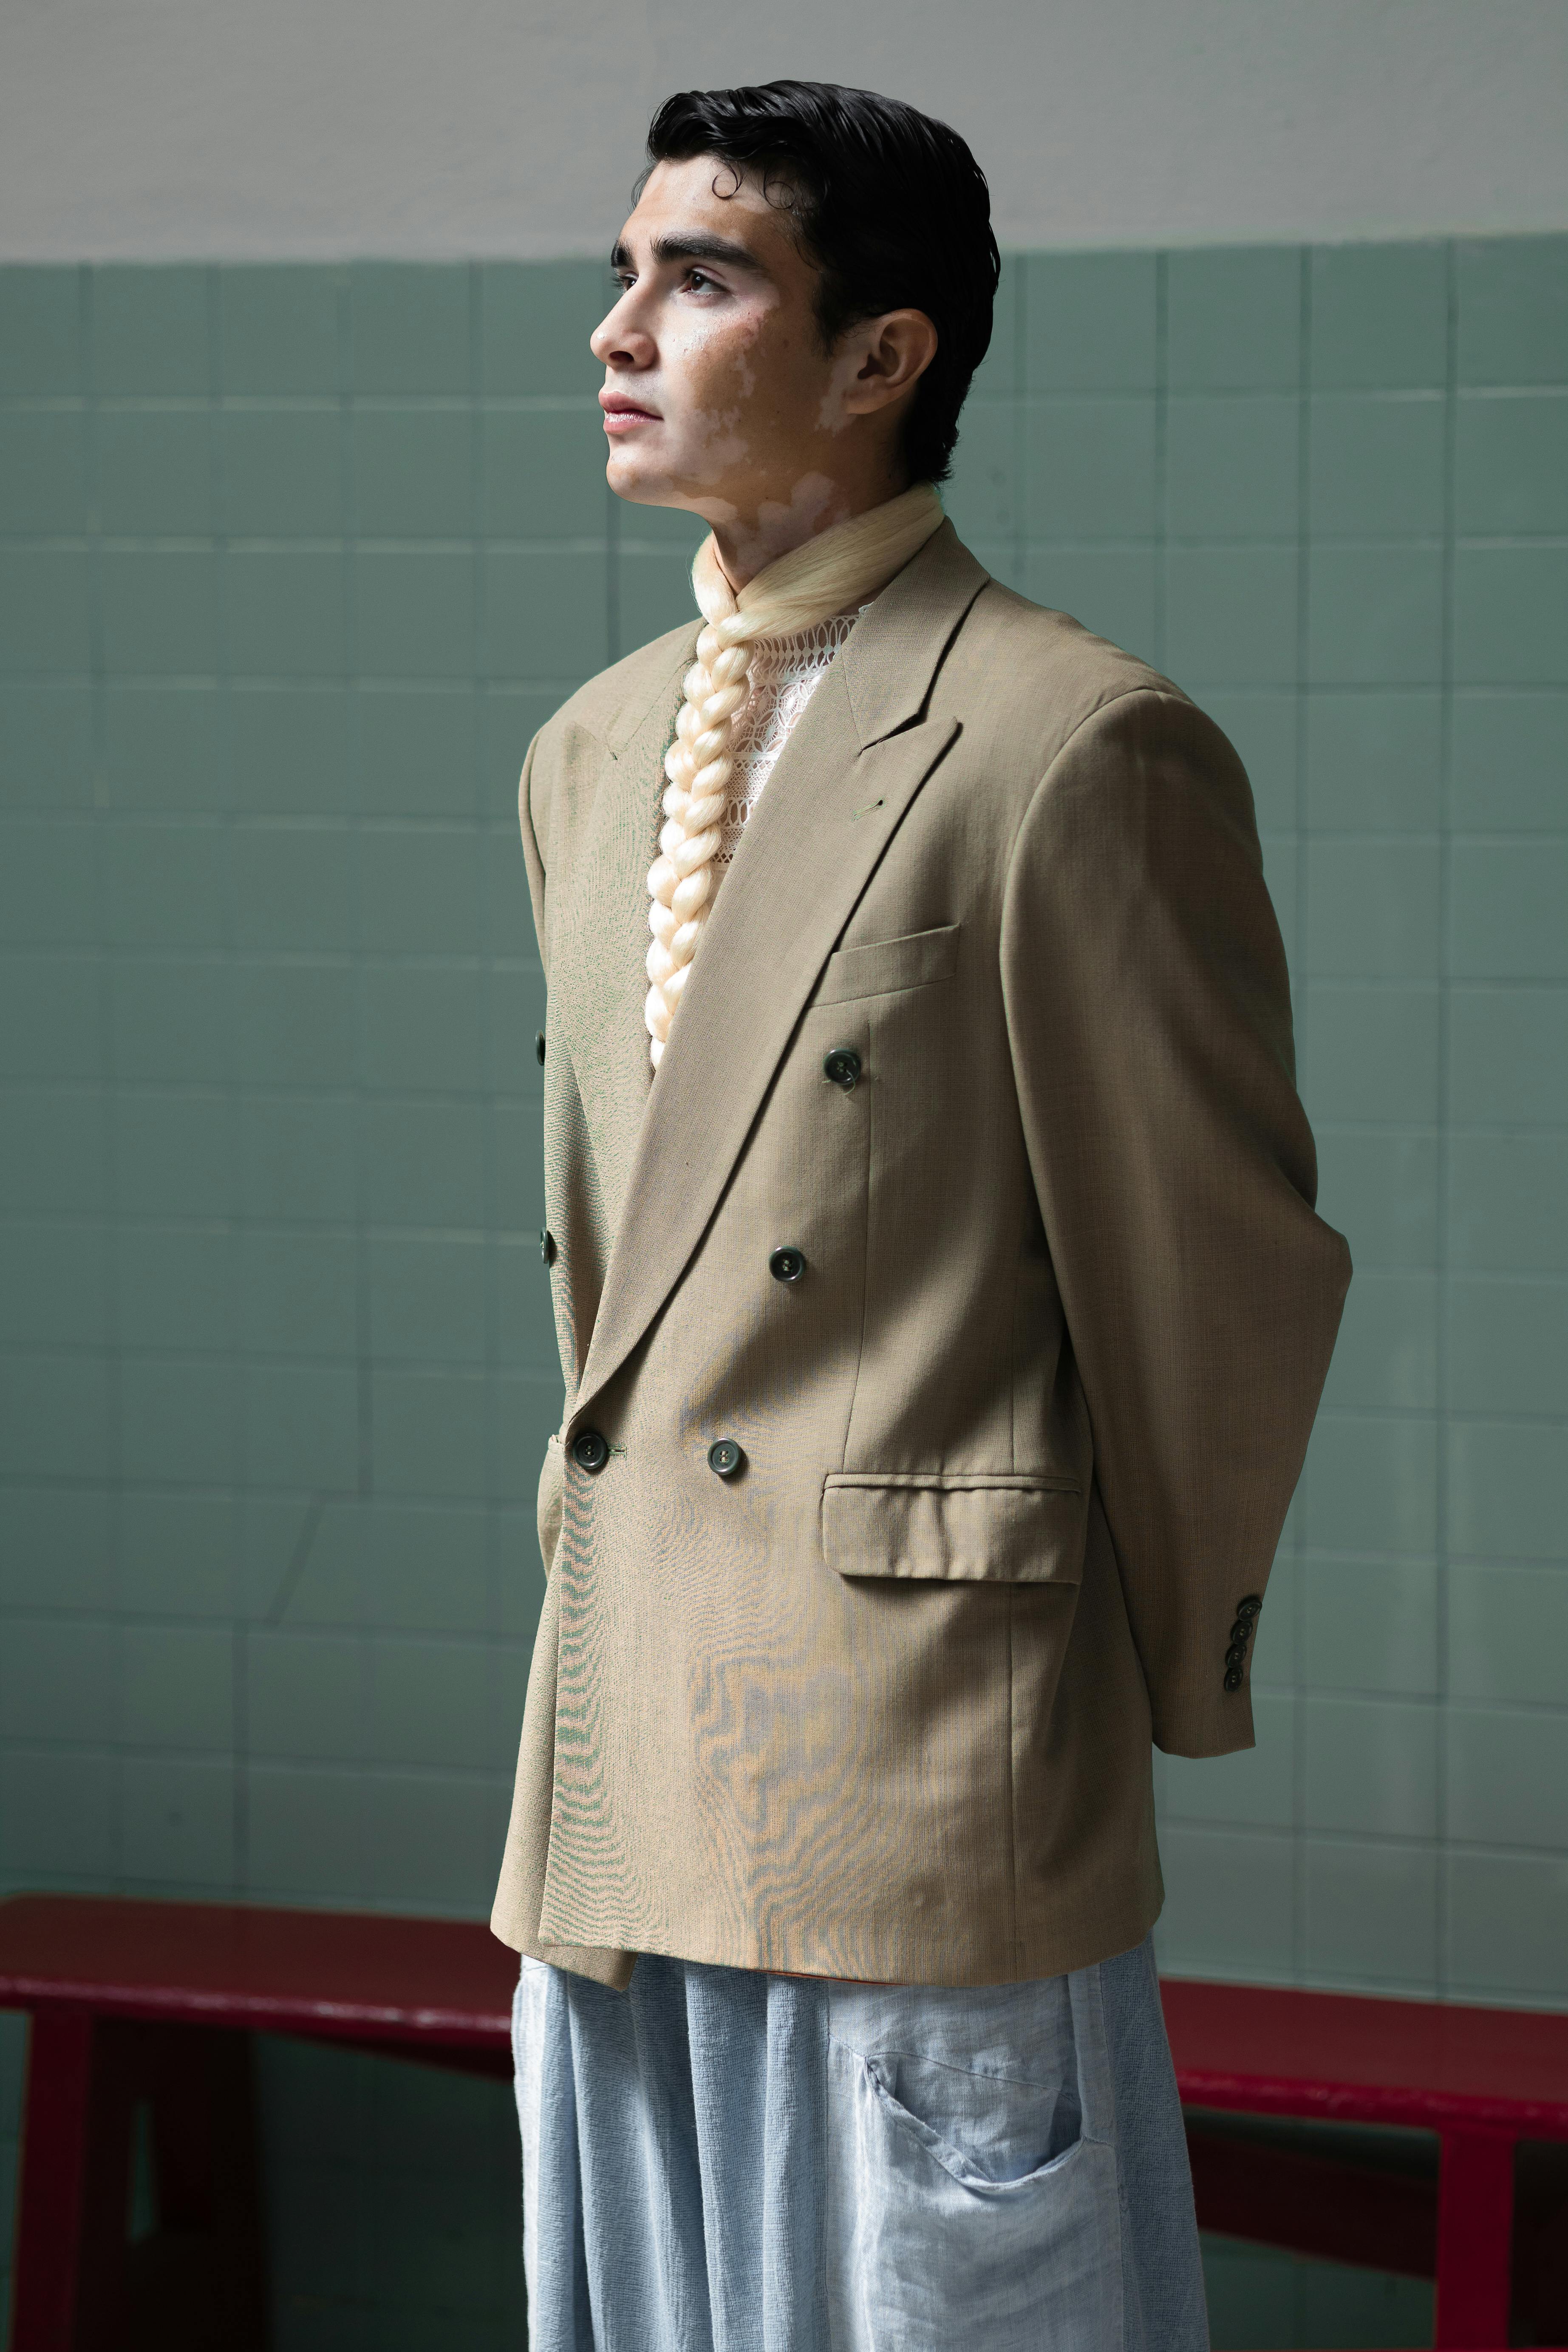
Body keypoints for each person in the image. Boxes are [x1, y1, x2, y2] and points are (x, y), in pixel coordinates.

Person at [491, 78, 1350, 2352]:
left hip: (914, 1732)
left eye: (703, 277)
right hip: (612, 1724)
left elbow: (1216, 1281)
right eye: (623, 271)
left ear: (885, 357)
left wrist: (1156, 1676)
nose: (621, 327)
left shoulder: (1075, 741)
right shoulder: (587, 756)